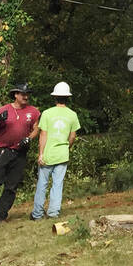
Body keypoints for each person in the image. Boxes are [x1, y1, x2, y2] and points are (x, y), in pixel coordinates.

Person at [0, 81, 39, 226]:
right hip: (3, 150)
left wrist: (29, 138)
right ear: (16, 95)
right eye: (23, 94)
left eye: (27, 94)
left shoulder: (33, 111)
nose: (26, 97)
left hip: (20, 152)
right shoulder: (4, 109)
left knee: (11, 186)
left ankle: (2, 216)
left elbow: (36, 128)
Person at [31, 82, 80, 221]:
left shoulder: (47, 113)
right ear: (67, 98)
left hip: (48, 154)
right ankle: (53, 212)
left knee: (42, 184)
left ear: (55, 97)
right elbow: (72, 136)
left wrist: (41, 154)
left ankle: (37, 214)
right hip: (62, 154)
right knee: (58, 185)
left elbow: (43, 135)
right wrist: (67, 147)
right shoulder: (72, 115)